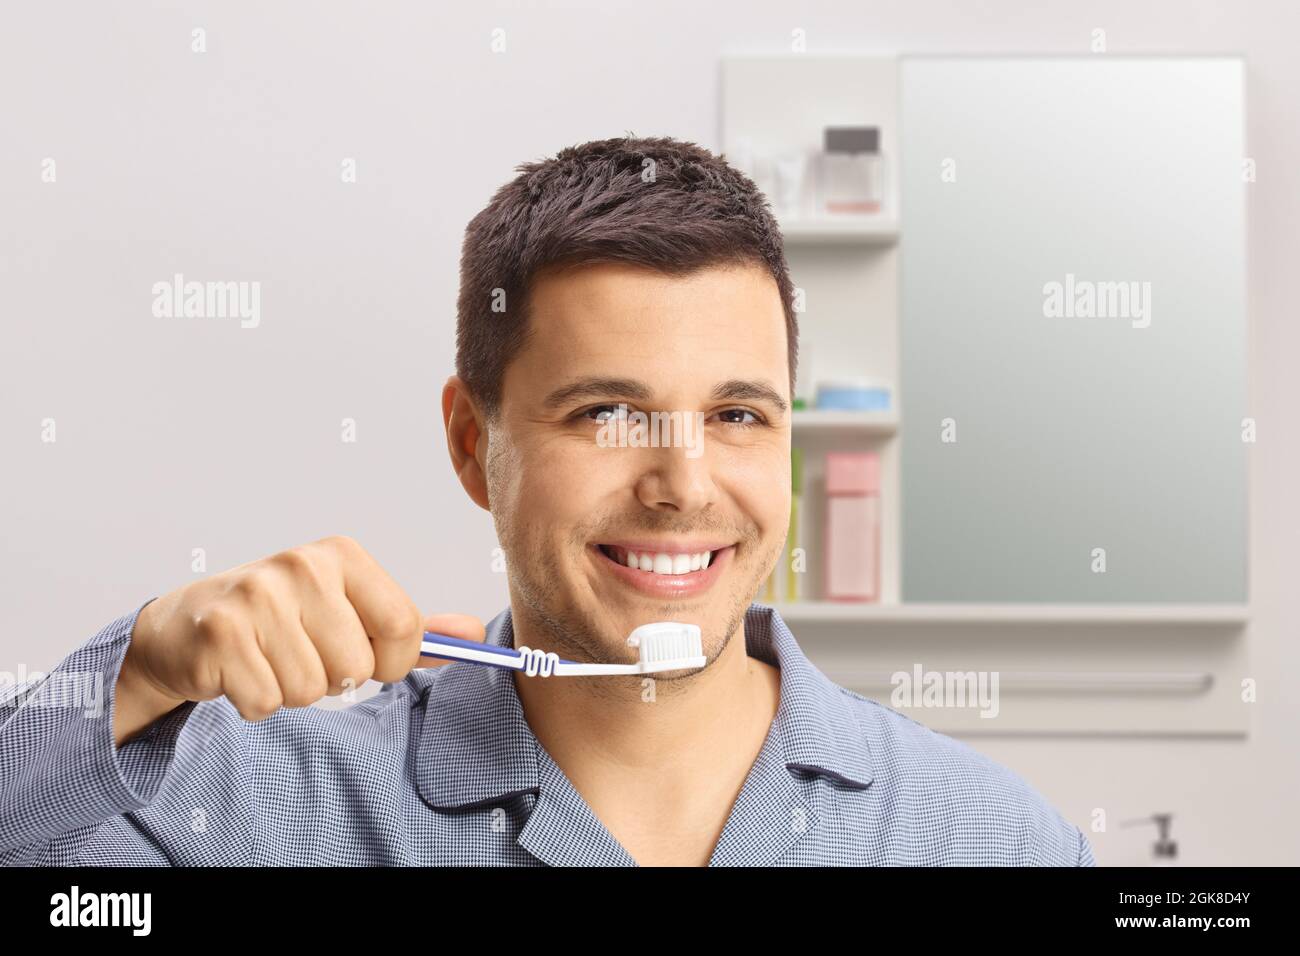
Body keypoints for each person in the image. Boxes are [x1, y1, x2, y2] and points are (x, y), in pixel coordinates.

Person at [0, 136, 1095, 866]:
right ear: (474, 444)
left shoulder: (993, 840)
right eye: (608, 413)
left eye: (737, 415)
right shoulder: (249, 815)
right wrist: (138, 669)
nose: (683, 485)